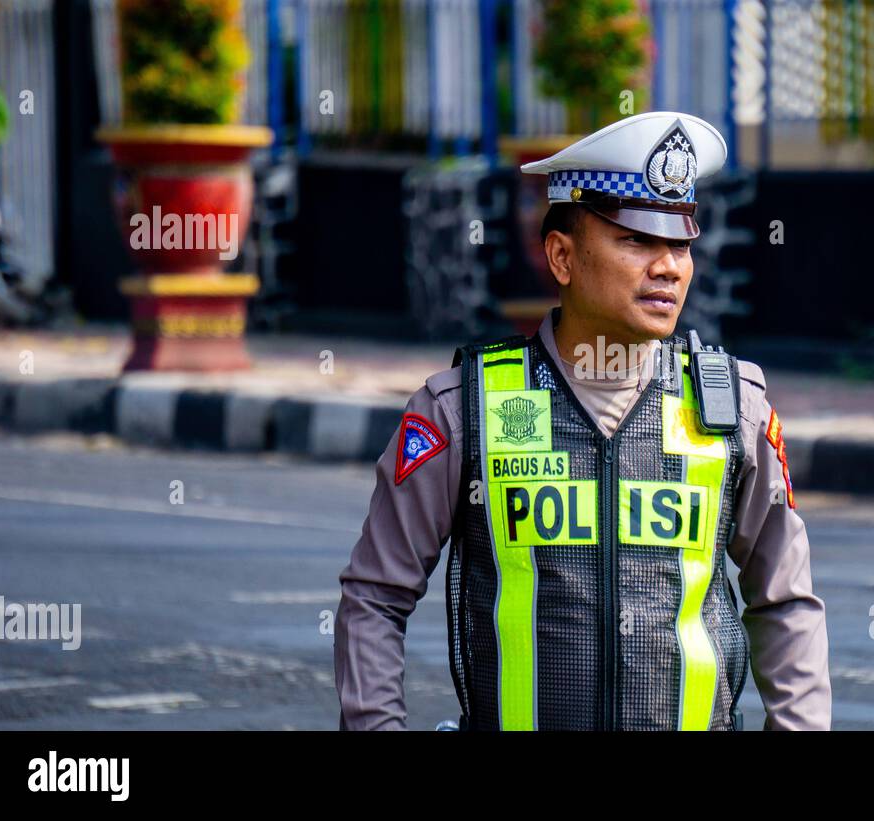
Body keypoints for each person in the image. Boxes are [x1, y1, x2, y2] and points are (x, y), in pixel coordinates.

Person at [333, 111, 832, 730]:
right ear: (562, 257)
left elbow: (785, 603)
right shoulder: (464, 409)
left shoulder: (732, 408)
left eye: (679, 243)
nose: (669, 267)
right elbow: (376, 598)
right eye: (636, 241)